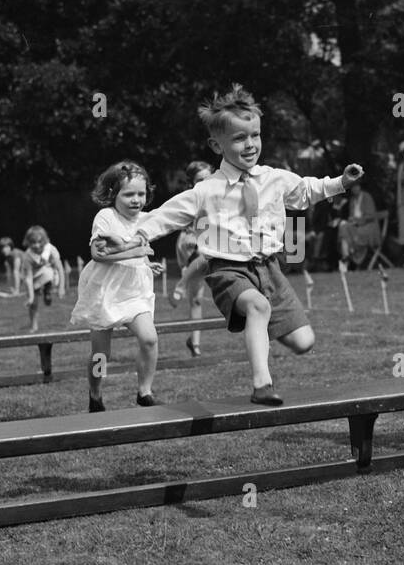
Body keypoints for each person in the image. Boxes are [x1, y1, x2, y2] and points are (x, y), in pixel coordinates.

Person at [114, 84, 363, 405]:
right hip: (228, 270)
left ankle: (257, 327)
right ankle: (262, 384)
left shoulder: (273, 178)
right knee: (257, 306)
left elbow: (305, 192)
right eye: (239, 138)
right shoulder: (208, 189)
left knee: (304, 341)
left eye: (255, 136)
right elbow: (167, 214)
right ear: (216, 145)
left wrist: (341, 182)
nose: (250, 144)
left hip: (270, 269)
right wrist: (135, 233)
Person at [69, 161, 165, 411]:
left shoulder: (146, 219)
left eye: (141, 194)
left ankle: (144, 391)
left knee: (150, 338)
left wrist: (145, 262)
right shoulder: (106, 217)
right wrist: (135, 250)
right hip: (105, 290)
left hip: (135, 291)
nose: (136, 200)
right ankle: (95, 392)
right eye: (129, 194)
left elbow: (139, 249)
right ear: (113, 194)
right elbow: (98, 255)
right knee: (102, 355)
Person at [168, 161, 214, 355]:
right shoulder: (189, 198)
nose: (204, 183)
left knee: (197, 299)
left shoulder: (221, 196)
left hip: (213, 242)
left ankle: (194, 343)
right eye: (199, 180)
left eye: (207, 178)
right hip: (190, 243)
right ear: (192, 183)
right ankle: (181, 284)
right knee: (196, 298)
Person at [22, 225, 65, 332]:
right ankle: (33, 325)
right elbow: (28, 277)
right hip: (34, 277)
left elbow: (60, 268)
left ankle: (47, 290)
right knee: (33, 303)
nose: (36, 245)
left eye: (39, 242)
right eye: (33, 243)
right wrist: (31, 297)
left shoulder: (51, 250)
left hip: (48, 272)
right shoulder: (27, 256)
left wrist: (61, 288)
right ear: (28, 242)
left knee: (48, 272)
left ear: (45, 240)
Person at [336, 178, 382, 268]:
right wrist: (351, 220)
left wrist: (356, 221)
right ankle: (346, 255)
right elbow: (352, 216)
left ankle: (346, 258)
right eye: (352, 187)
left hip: (369, 228)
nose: (354, 189)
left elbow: (370, 216)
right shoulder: (352, 200)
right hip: (356, 228)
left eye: (356, 186)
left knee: (345, 230)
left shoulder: (366, 197)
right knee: (343, 226)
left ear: (360, 187)